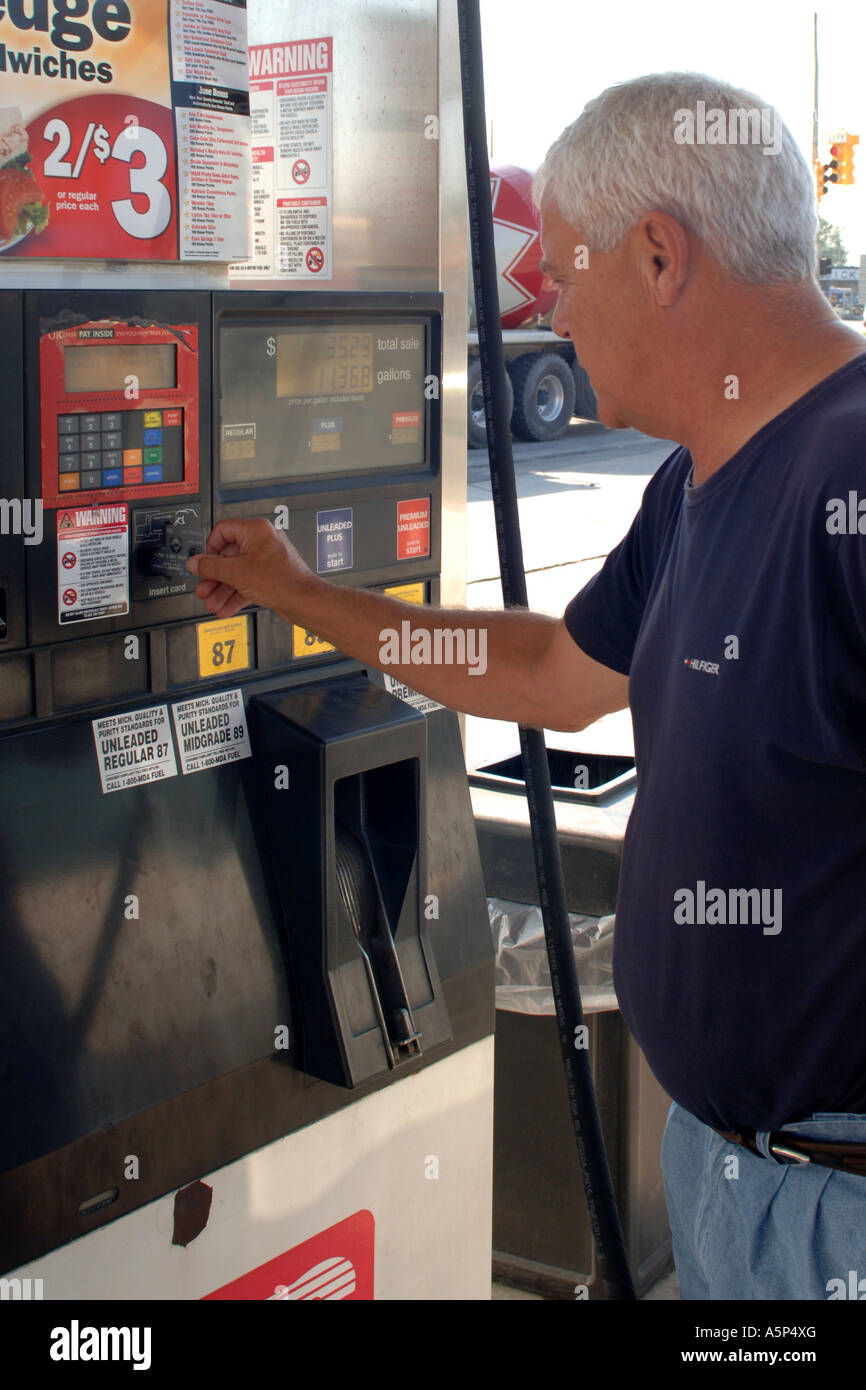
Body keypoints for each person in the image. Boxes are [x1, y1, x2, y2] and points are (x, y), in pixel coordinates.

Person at [188, 72, 866, 1301]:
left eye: (564, 266)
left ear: (657, 256)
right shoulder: (702, 474)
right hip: (732, 1180)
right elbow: (552, 674)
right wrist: (302, 596)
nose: (543, 300)